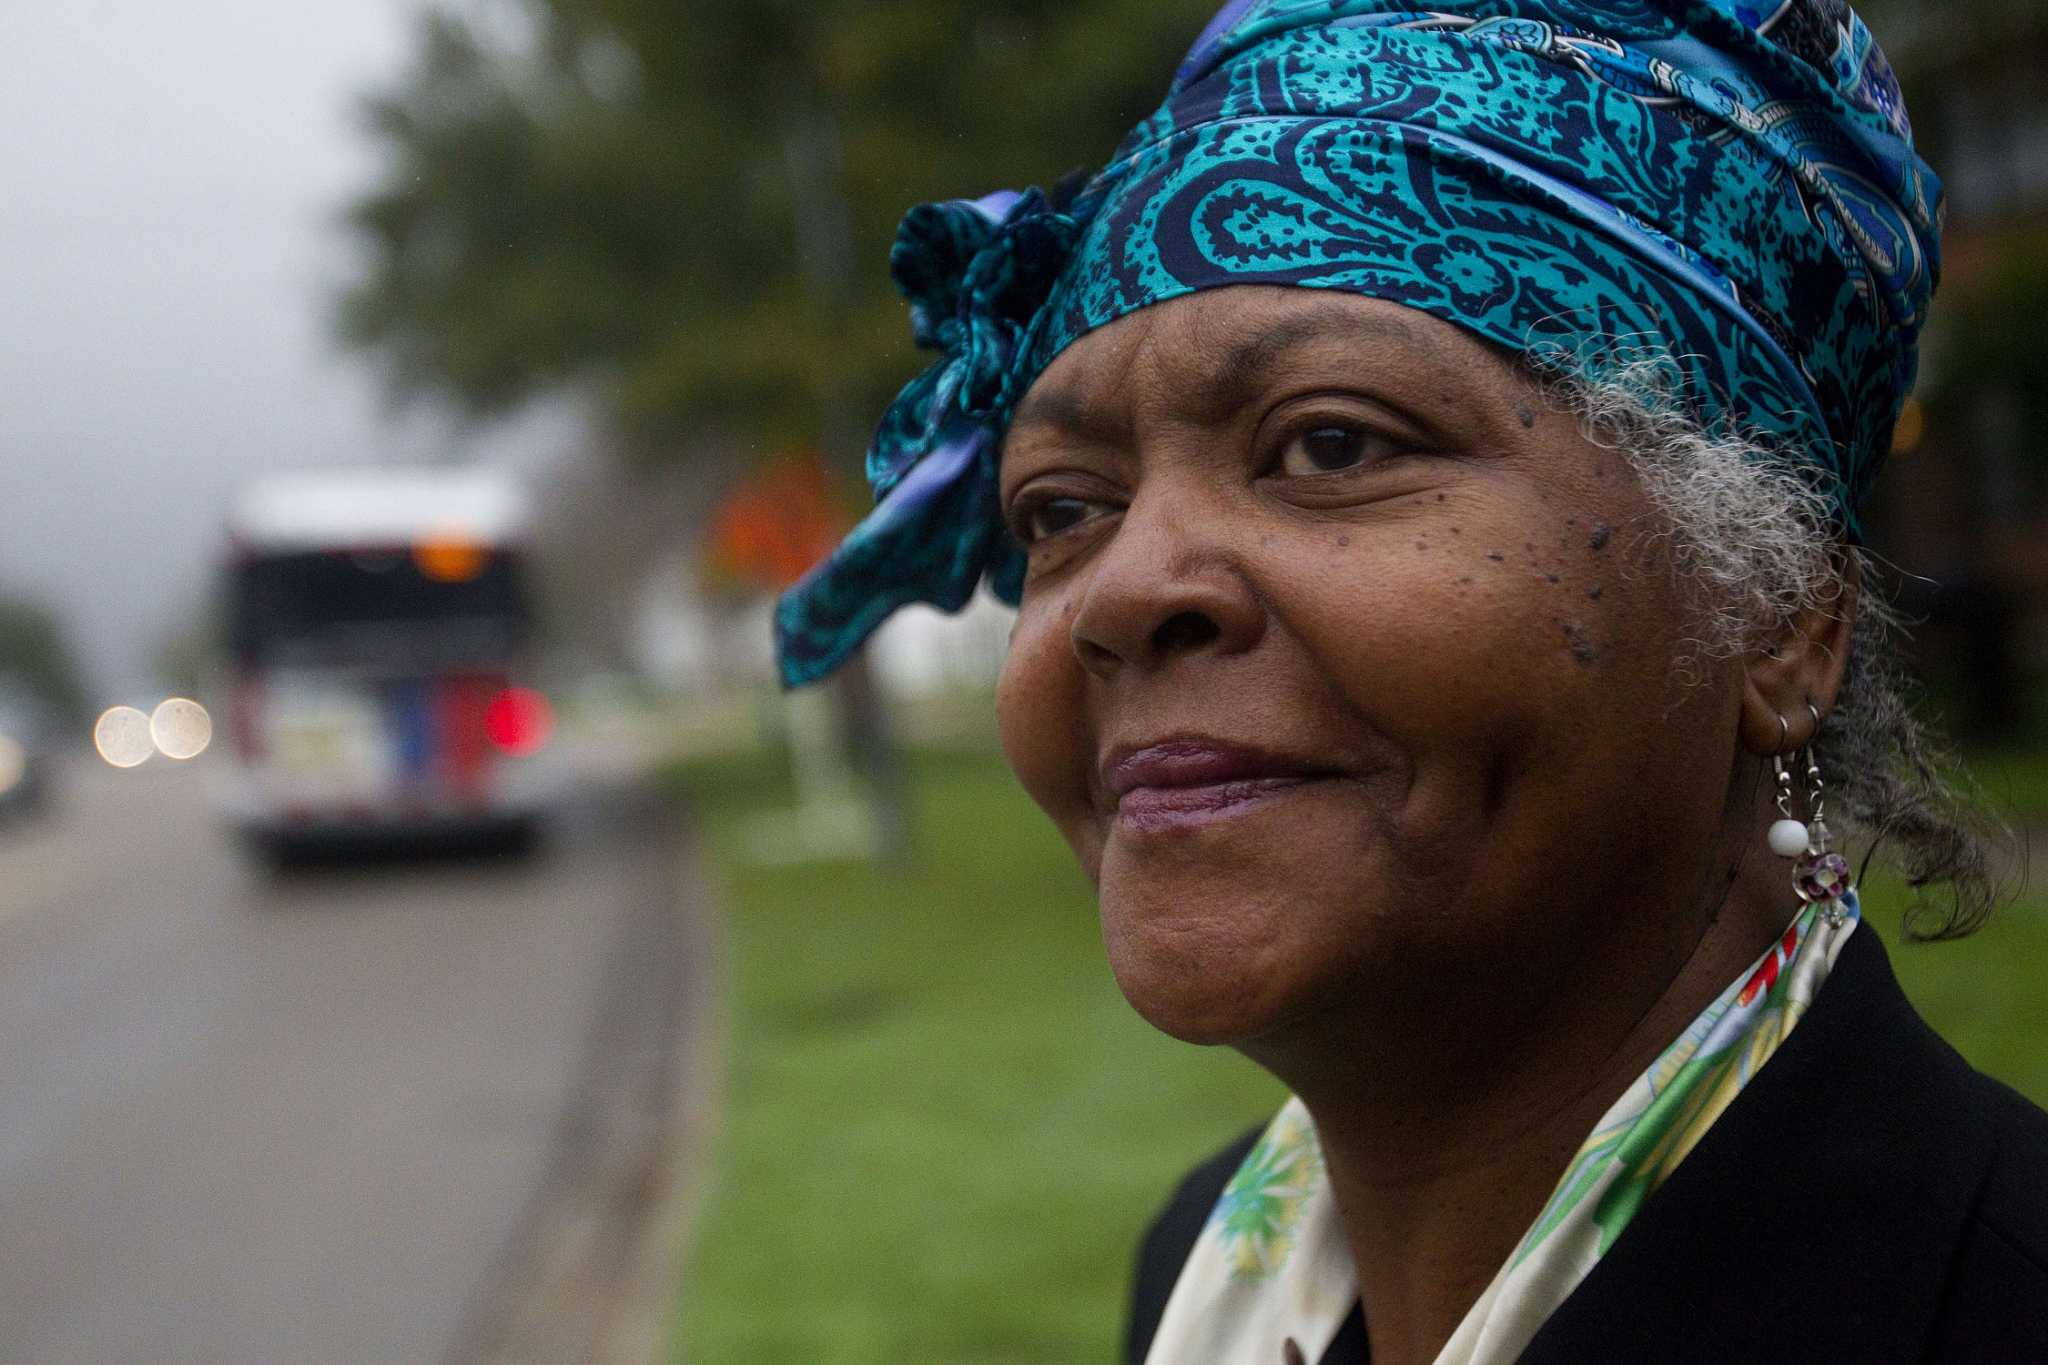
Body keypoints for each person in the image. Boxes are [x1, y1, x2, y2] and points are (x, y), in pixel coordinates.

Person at [776, 2, 2048, 1361]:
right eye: (1059, 509)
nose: (1124, 590)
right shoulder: (1202, 1275)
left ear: (1779, 614)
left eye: (1329, 444)